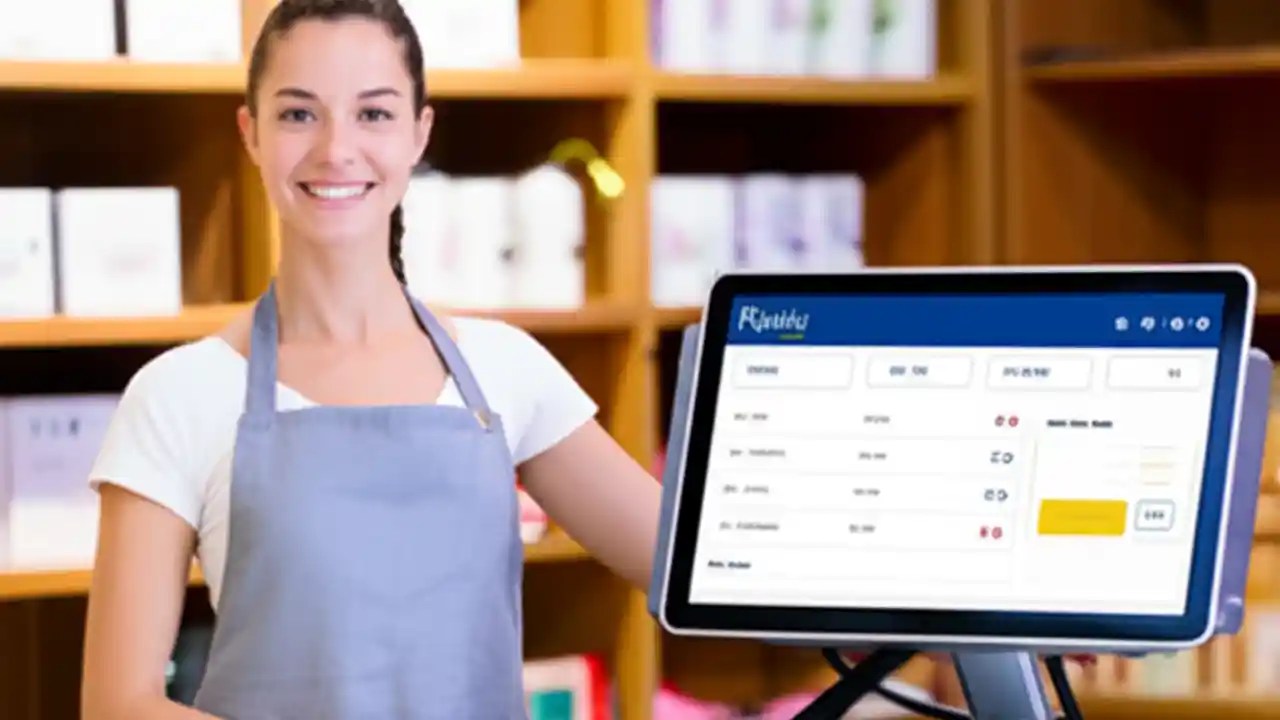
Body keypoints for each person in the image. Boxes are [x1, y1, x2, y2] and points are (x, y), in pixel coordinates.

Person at [79, 1, 662, 717]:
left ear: (420, 132)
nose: (335, 149)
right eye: (298, 114)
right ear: (250, 132)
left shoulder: (509, 370)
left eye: (374, 114)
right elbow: (116, 703)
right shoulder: (179, 396)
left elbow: (691, 572)